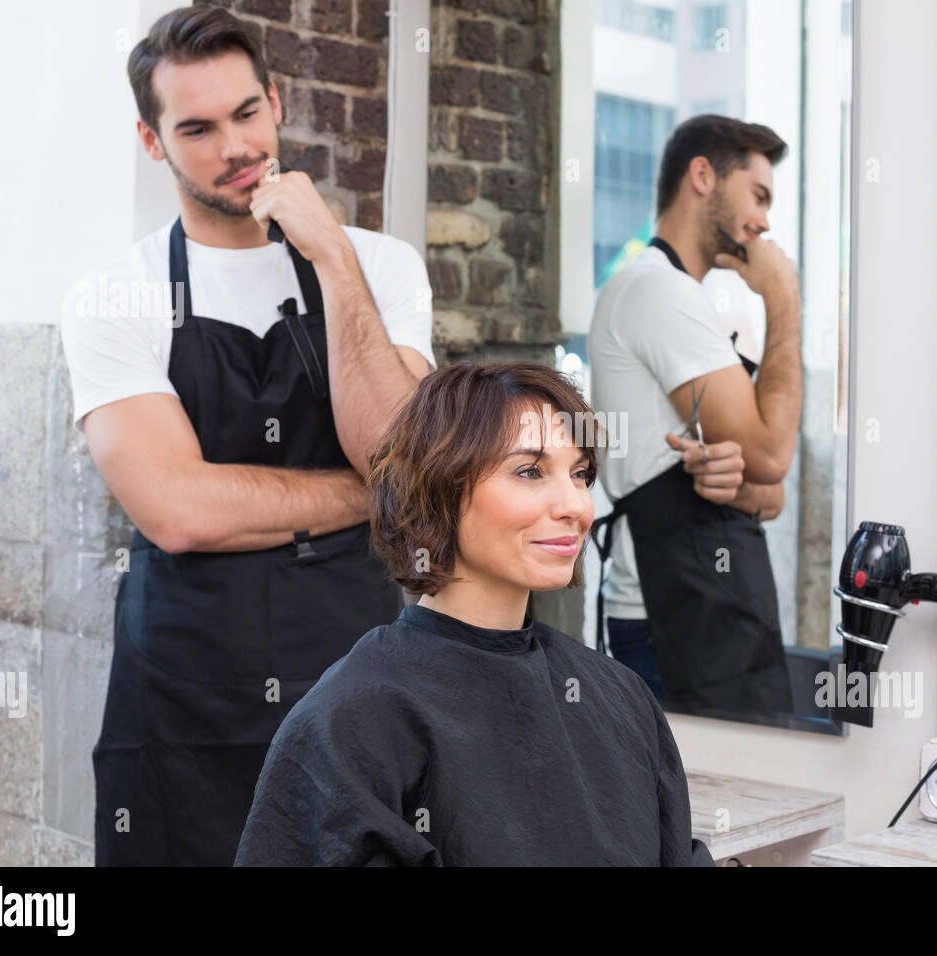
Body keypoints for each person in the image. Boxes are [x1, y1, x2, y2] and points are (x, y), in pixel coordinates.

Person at [59, 7, 434, 865]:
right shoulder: (117, 293)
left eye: (246, 113)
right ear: (153, 142)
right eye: (196, 128)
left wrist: (331, 259)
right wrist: (364, 494)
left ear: (277, 99)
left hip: (353, 686)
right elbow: (179, 511)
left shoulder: (379, 265)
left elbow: (397, 458)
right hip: (181, 708)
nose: (234, 146)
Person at [235, 363, 715, 866]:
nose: (575, 504)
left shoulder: (621, 697)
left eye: (579, 474)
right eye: (529, 471)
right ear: (438, 489)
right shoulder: (357, 717)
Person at [587, 115, 802, 717]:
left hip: (713, 609)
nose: (764, 223)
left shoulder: (690, 300)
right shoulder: (656, 290)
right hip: (671, 619)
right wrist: (784, 298)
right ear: (703, 176)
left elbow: (770, 492)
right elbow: (771, 454)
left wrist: (736, 482)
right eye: (758, 196)